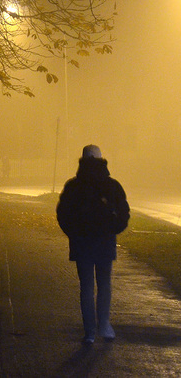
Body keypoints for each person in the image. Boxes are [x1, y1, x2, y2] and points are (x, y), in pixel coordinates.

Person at [56, 144, 130, 344]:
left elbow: (63, 214)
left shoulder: (73, 186)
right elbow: (123, 213)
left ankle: (89, 331)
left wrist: (74, 233)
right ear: (101, 159)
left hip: (82, 244)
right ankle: (104, 325)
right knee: (104, 284)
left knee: (86, 286)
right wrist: (112, 229)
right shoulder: (112, 186)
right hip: (105, 242)